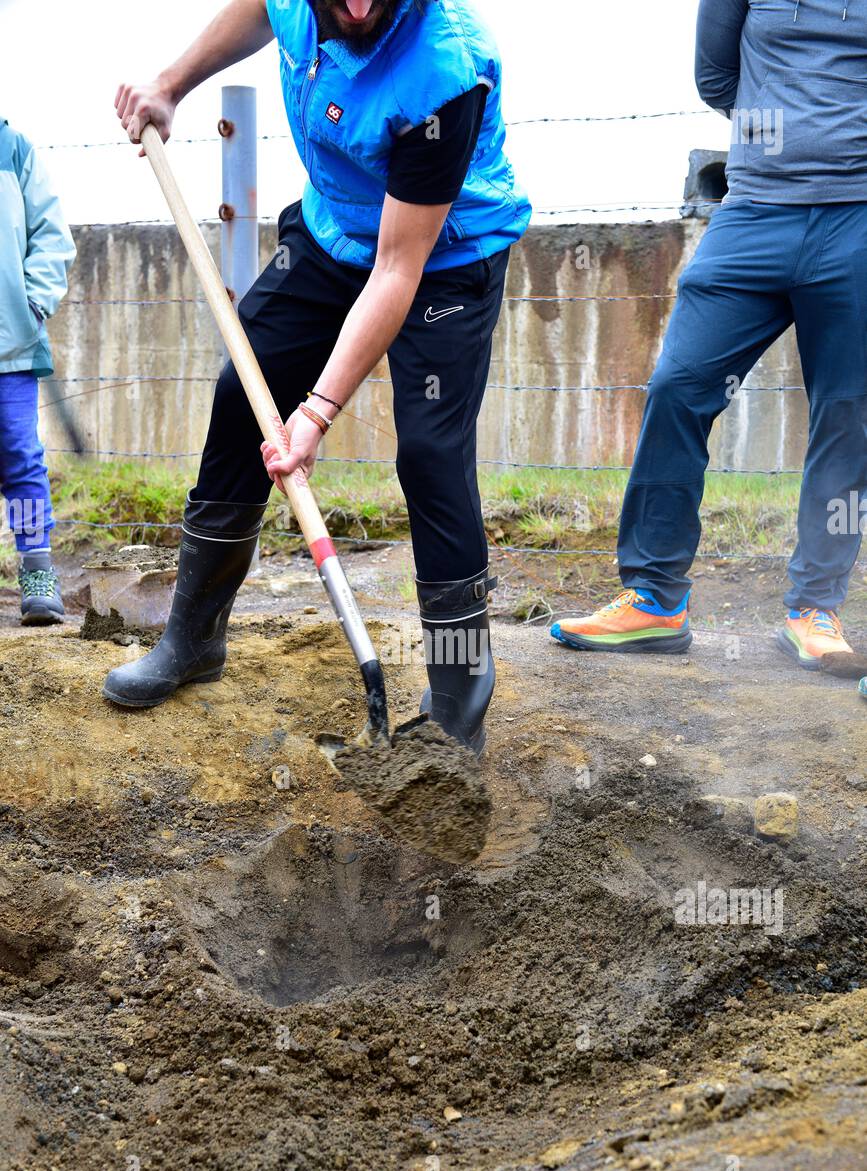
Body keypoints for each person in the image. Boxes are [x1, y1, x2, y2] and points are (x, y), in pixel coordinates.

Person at [107, 0, 530, 753]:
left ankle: (457, 699)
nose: (361, 6)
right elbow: (260, 12)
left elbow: (399, 268)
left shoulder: (445, 70)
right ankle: (193, 639)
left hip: (440, 262)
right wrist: (172, 84)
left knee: (431, 454)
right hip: (335, 232)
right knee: (245, 390)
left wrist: (318, 410)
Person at [552, 0, 867, 672]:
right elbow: (715, 77)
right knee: (678, 386)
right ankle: (653, 598)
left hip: (858, 221)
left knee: (848, 413)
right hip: (753, 213)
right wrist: (780, 144)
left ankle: (813, 609)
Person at [0, 117, 75, 624]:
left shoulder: (13, 149)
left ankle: (36, 569)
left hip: (11, 345)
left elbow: (50, 233)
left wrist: (33, 299)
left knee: (20, 458)